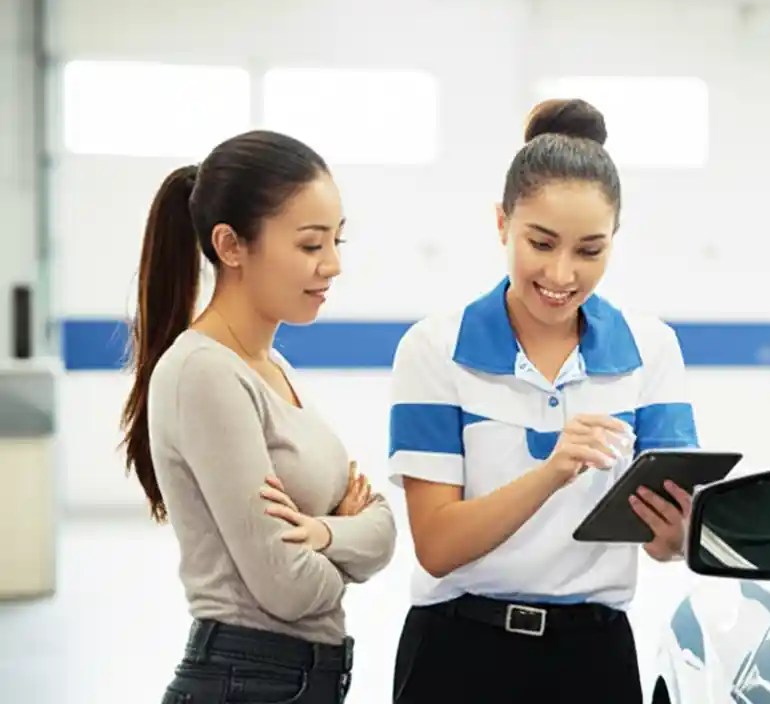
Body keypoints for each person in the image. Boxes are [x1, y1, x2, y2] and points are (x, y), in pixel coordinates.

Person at [388, 98, 700, 703]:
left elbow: (666, 545)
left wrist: (681, 530)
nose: (562, 274)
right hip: (457, 657)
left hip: (593, 659)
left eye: (590, 251)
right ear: (502, 223)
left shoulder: (651, 349)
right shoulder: (434, 349)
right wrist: (553, 471)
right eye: (541, 242)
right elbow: (437, 547)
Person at [119, 130, 397, 703]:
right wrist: (347, 542)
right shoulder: (204, 374)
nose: (334, 264)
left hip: (291, 680)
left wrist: (319, 532)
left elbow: (386, 529)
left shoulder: (273, 366)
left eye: (337, 241)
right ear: (231, 245)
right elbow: (288, 589)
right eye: (310, 245)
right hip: (247, 681)